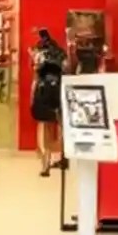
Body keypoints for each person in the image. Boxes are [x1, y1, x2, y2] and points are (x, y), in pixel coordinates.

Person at [31, 29, 67, 177]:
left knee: (46, 130)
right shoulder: (61, 54)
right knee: (61, 128)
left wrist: (33, 98)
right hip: (59, 93)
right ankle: (62, 157)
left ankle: (45, 165)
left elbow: (36, 78)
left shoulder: (40, 55)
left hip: (44, 95)